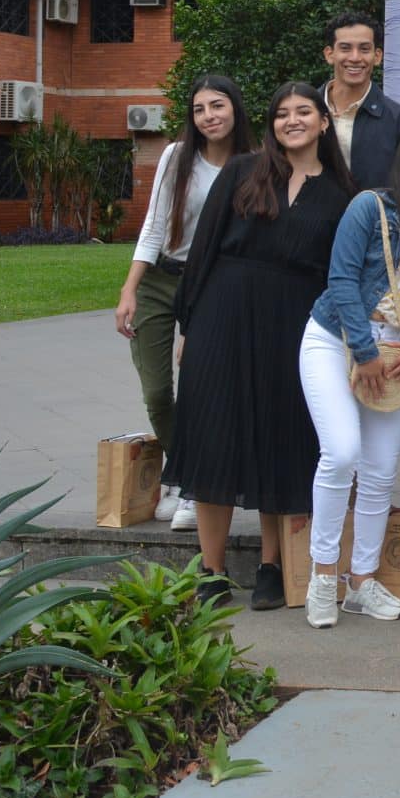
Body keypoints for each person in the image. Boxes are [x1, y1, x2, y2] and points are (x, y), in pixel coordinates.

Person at [164, 82, 354, 609]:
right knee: (214, 434)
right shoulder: (241, 172)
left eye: (303, 112)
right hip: (223, 312)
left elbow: (340, 274)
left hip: (295, 321)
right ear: (271, 124)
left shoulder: (342, 194)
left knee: (278, 435)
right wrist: (189, 325)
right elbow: (201, 252)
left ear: (322, 122)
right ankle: (212, 569)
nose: (292, 121)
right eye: (282, 114)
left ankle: (272, 567)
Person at [300, 125, 400, 628]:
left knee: (381, 471)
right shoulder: (370, 207)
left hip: (396, 356)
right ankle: (324, 575)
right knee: (342, 452)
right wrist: (364, 352)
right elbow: (341, 279)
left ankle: (361, 582)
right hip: (334, 340)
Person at [114, 73, 252, 533]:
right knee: (157, 390)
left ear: (235, 108)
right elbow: (155, 224)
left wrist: (194, 326)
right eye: (199, 109)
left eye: (218, 106)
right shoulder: (177, 156)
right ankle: (182, 470)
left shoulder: (252, 165)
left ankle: (195, 487)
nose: (209, 116)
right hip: (159, 278)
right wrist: (129, 288)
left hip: (211, 283)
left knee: (198, 386)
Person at [321, 10, 400, 191]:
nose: (355, 58)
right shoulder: (304, 112)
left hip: (376, 219)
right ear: (329, 54)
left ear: (377, 56)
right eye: (345, 48)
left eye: (364, 49)